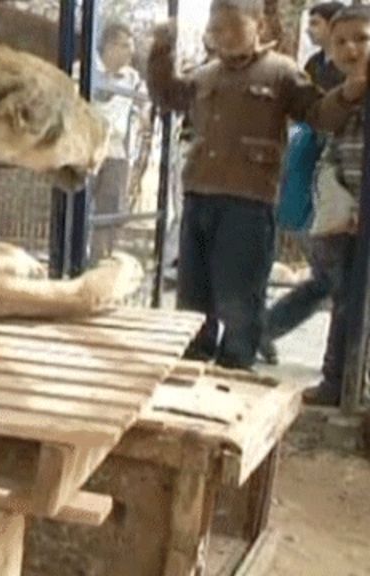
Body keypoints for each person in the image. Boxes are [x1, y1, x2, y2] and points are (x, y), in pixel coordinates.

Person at [146, 0, 361, 370]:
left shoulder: (282, 73)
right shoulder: (204, 75)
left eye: (234, 27)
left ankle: (236, 361)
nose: (224, 36)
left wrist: (348, 93)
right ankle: (193, 354)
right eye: (216, 29)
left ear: (259, 26)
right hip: (198, 194)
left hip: (249, 202)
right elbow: (167, 96)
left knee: (240, 292)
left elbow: (318, 114)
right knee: (193, 291)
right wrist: (160, 54)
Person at [259, 1, 346, 364]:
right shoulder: (313, 67)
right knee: (333, 278)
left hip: (341, 178)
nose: (310, 31)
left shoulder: (348, 68)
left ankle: (267, 328)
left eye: (316, 23)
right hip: (315, 180)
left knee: (331, 280)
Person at [302, 5, 370, 405]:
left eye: (362, 39)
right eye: (341, 41)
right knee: (345, 299)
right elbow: (321, 122)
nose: (351, 49)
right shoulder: (342, 93)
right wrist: (349, 93)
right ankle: (336, 381)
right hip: (348, 216)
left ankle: (356, 385)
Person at [91, 21, 147, 259]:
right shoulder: (83, 69)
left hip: (115, 151)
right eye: (124, 46)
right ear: (109, 46)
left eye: (130, 47)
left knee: (110, 208)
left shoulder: (133, 78)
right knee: (77, 203)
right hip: (86, 148)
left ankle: (100, 258)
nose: (129, 53)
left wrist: (144, 116)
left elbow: (143, 106)